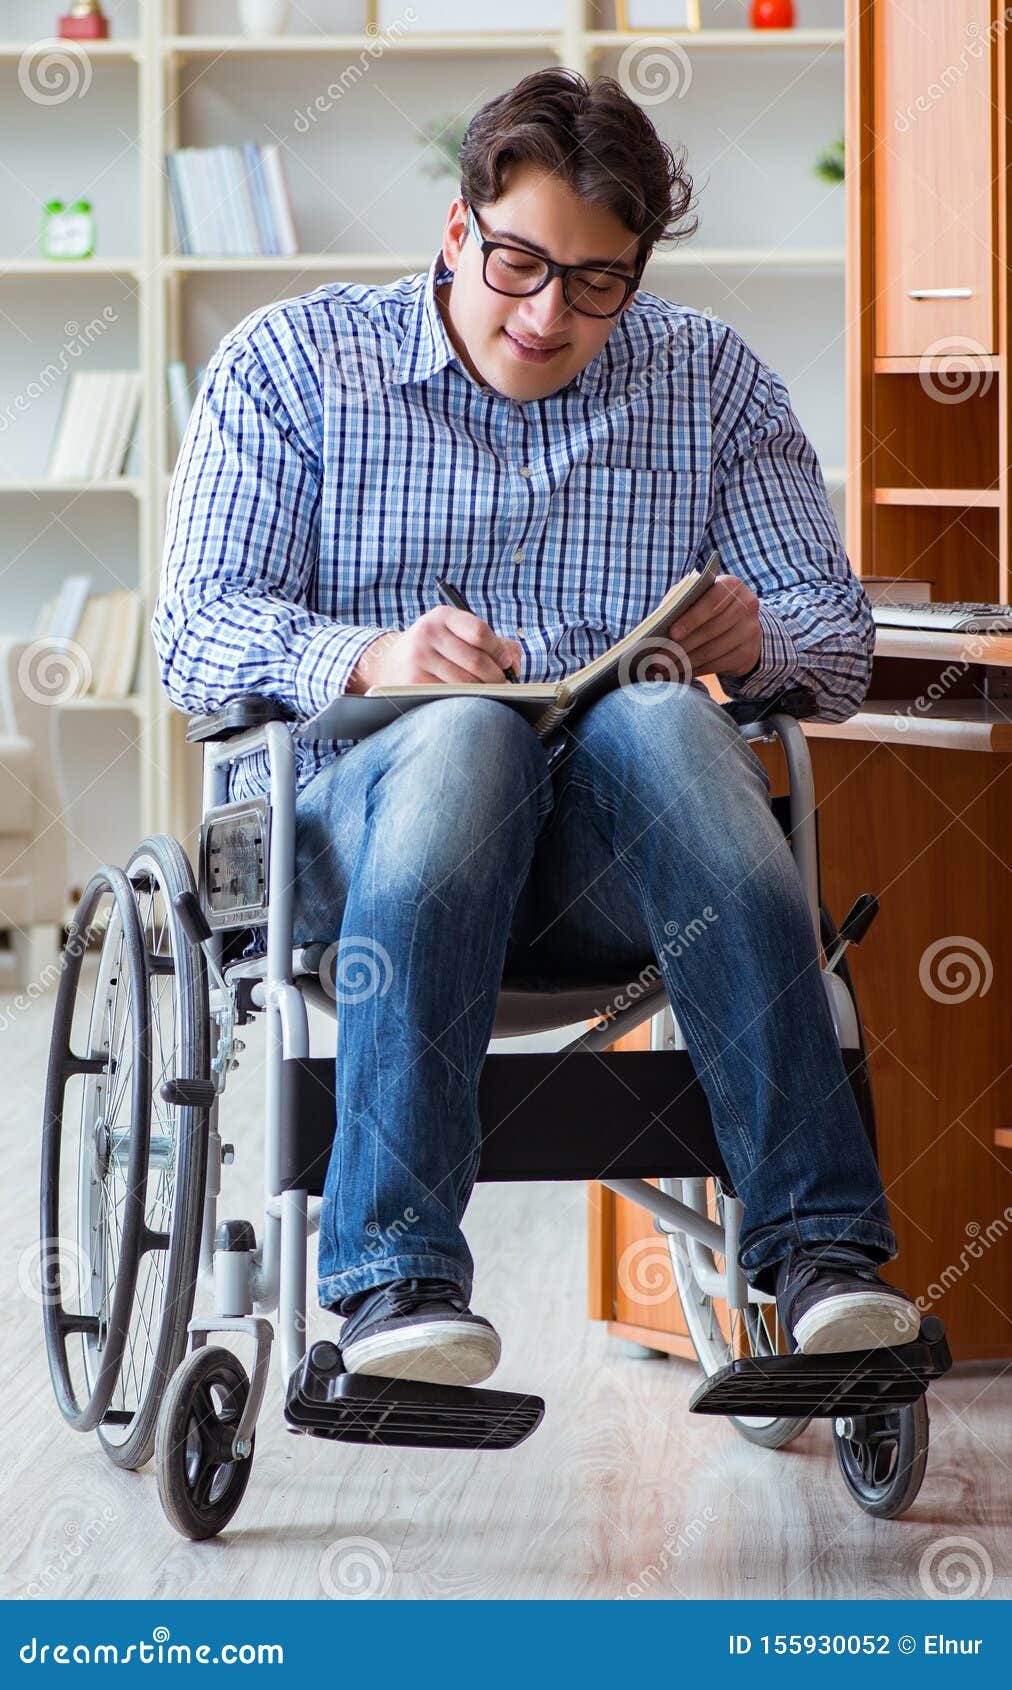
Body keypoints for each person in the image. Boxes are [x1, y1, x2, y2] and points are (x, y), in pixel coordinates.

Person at [153, 67, 919, 1388]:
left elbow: (839, 644)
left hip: (598, 879)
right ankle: (392, 1279)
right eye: (517, 263)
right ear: (460, 231)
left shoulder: (709, 385)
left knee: (671, 723)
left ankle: (821, 1259)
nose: (548, 312)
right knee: (465, 733)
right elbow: (194, 633)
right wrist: (374, 656)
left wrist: (762, 641)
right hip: (355, 846)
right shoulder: (294, 365)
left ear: (639, 270)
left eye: (597, 281)